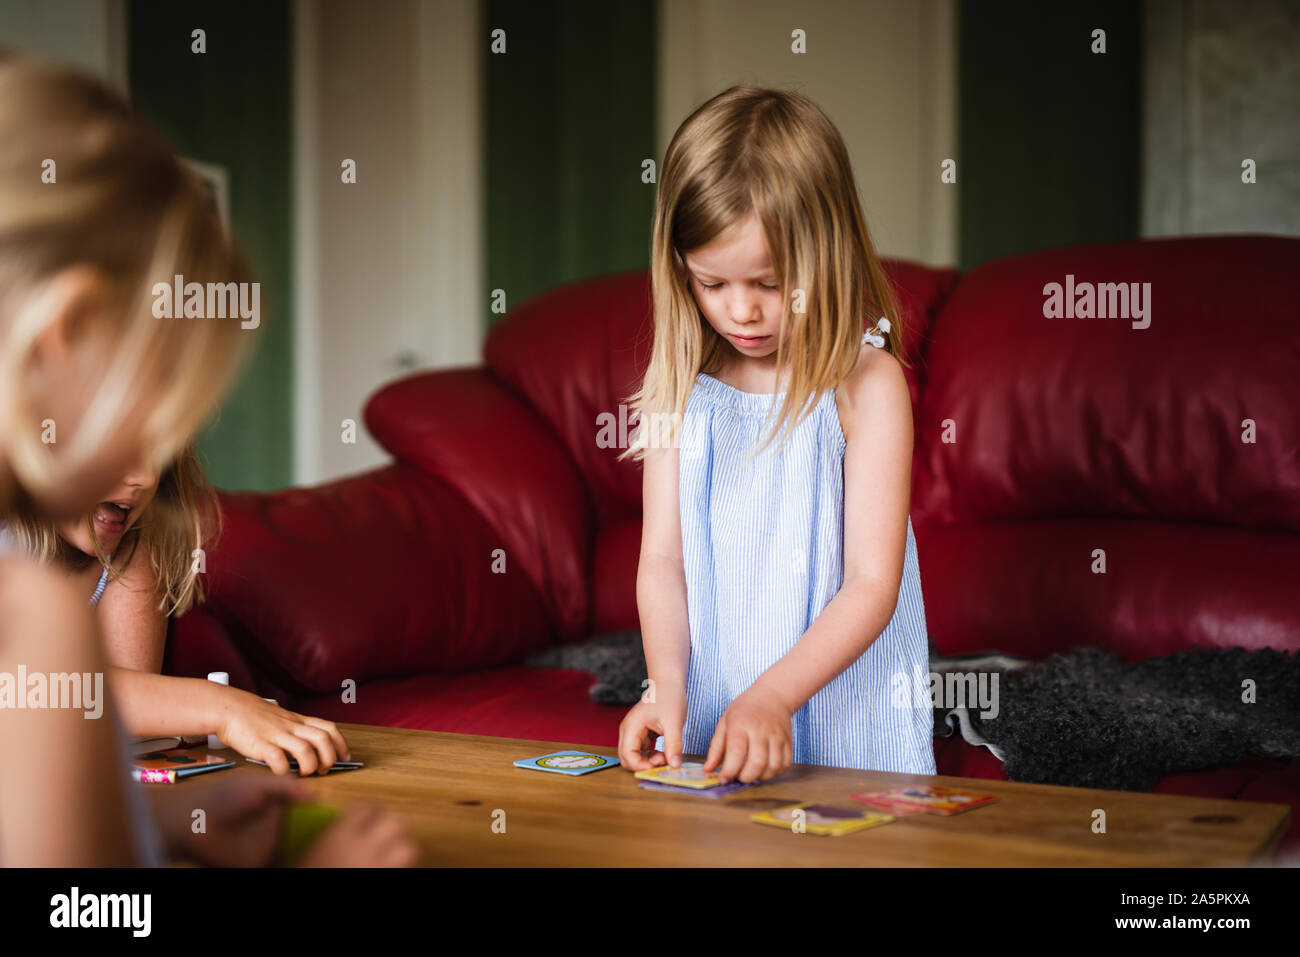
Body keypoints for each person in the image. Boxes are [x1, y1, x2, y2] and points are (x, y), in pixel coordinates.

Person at [0, 51, 416, 866]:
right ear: (65, 333)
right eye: (156, 396)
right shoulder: (28, 616)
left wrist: (168, 820)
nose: (149, 463)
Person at [616, 86, 936, 783]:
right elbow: (662, 563)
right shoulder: (682, 385)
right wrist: (664, 685)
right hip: (720, 713)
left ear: (827, 250)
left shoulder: (866, 383)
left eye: (768, 282)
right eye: (711, 283)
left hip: (843, 711)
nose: (742, 311)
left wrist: (776, 695)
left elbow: (871, 584)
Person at [2, 447, 350, 775]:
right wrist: (222, 709)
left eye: (157, 449)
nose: (144, 477)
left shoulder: (132, 544)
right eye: (119, 444)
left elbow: (114, 725)